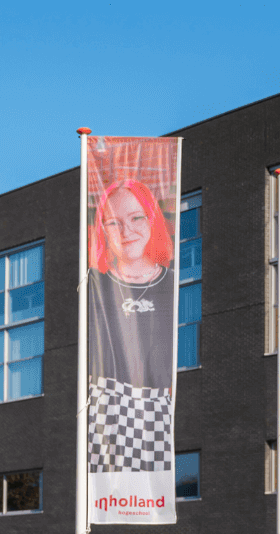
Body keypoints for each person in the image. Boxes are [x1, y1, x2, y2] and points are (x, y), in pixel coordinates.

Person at [87, 179, 176, 473]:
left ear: (152, 218)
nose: (126, 231)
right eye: (113, 223)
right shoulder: (95, 286)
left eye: (136, 217)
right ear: (102, 231)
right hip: (107, 414)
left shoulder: (174, 283)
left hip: (162, 407)